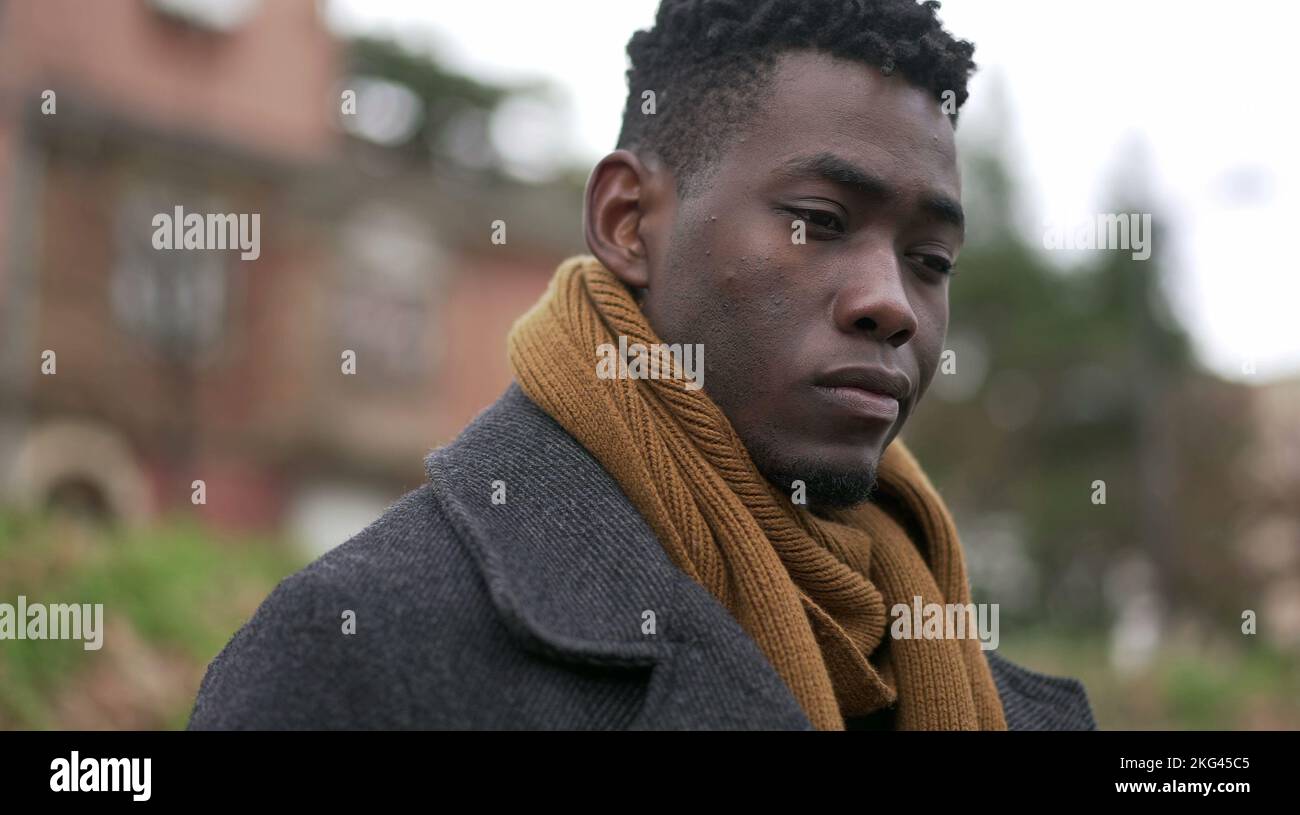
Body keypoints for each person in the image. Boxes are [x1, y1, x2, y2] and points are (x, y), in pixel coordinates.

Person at [188, 0, 1096, 731]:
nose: (892, 302)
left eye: (930, 261)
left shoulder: (1003, 701)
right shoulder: (361, 651)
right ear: (629, 222)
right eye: (819, 220)